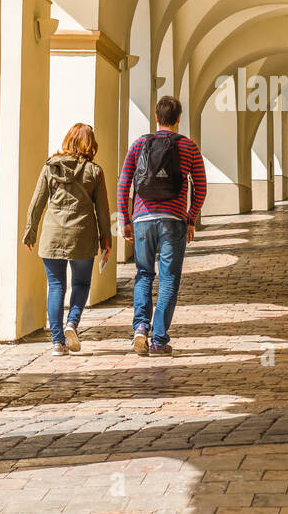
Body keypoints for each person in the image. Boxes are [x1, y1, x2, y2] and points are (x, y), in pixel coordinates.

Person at [118, 96, 207, 357]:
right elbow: (200, 187)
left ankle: (140, 327)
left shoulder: (139, 144)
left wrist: (125, 219)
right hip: (174, 220)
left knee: (144, 274)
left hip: (143, 219)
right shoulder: (189, 147)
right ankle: (158, 340)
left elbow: (124, 185)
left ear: (156, 118)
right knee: (169, 279)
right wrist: (190, 217)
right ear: (179, 118)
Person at [23, 123, 112, 356]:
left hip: (52, 235)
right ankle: (72, 323)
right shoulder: (95, 171)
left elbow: (37, 202)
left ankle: (57, 342)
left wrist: (30, 232)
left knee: (56, 286)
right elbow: (103, 210)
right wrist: (106, 241)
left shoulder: (50, 167)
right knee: (81, 284)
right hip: (81, 235)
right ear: (90, 144)